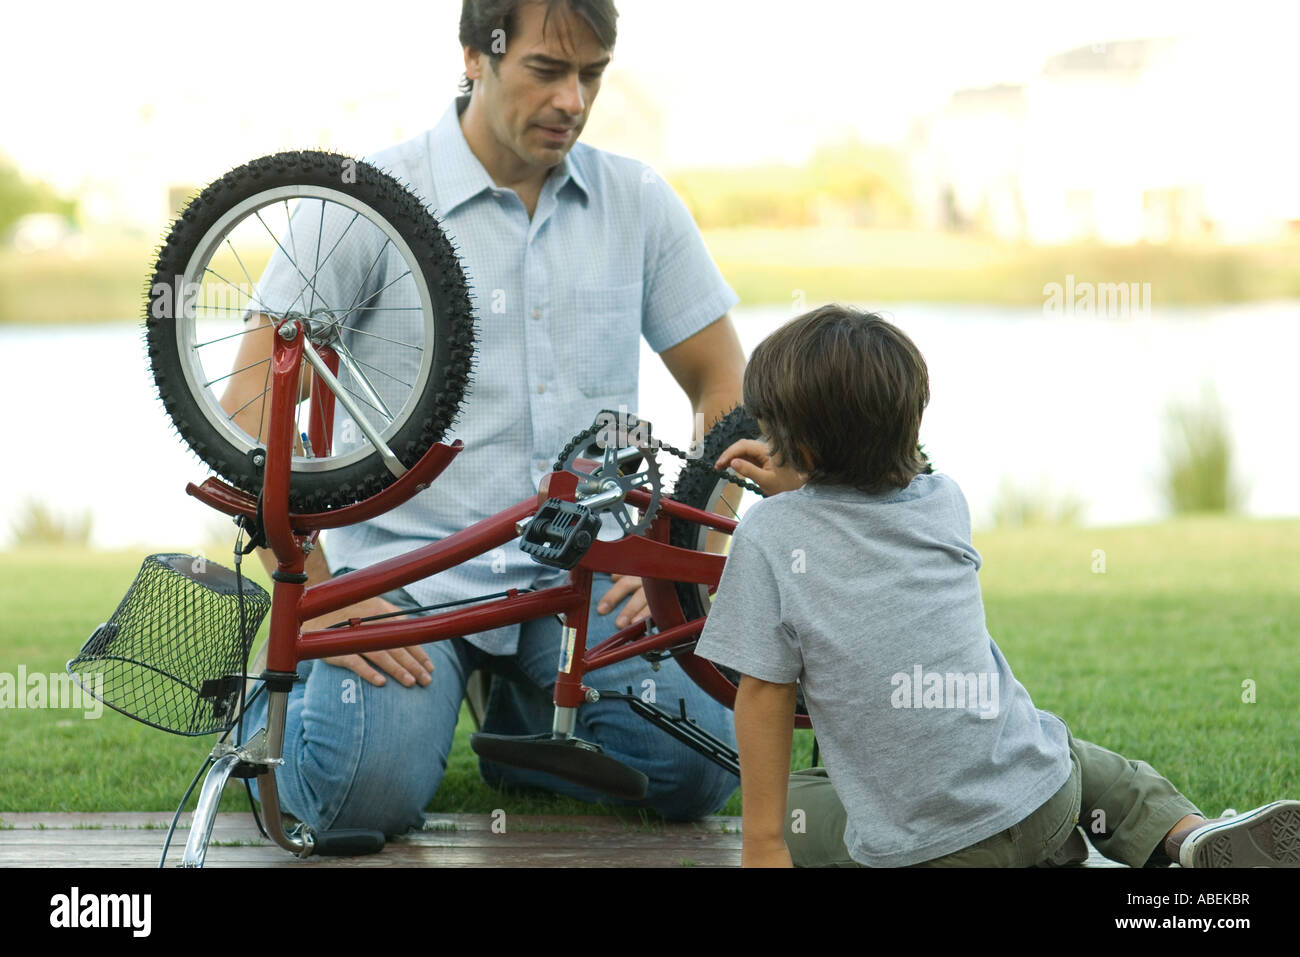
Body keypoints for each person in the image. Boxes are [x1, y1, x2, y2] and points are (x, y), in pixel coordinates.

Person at [223, 0, 746, 836]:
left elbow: (726, 386)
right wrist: (319, 593)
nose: (574, 100)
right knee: (355, 797)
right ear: (475, 55)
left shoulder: (638, 201)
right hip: (403, 582)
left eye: (593, 75)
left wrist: (689, 554)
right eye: (547, 70)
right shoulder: (367, 198)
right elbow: (248, 400)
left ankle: (516, 729)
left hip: (582, 575)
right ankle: (261, 710)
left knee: (701, 765)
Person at [695, 303, 1300, 868]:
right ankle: (1188, 836)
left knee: (804, 795)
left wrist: (764, 844)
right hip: (1044, 814)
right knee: (1071, 752)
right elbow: (857, 518)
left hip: (937, 854)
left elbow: (764, 697)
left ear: (798, 444)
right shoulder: (944, 500)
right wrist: (809, 475)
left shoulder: (770, 536)